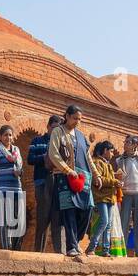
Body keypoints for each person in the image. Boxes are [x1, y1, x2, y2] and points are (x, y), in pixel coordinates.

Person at [47, 105, 92, 258]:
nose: (77, 122)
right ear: (66, 116)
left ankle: (76, 240)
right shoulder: (58, 132)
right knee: (70, 211)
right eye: (74, 118)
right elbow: (53, 154)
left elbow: (88, 157)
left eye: (79, 119)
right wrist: (67, 170)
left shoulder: (80, 135)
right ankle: (72, 246)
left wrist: (97, 175)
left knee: (87, 209)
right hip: (65, 177)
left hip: (82, 178)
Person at [27, 115, 63, 253]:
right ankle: (38, 252)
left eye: (57, 129)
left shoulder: (60, 142)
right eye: (53, 128)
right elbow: (30, 159)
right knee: (43, 217)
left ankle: (58, 252)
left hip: (56, 183)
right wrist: (45, 157)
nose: (55, 131)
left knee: (56, 217)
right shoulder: (37, 140)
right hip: (41, 182)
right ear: (48, 127)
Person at [114, 135, 138, 258]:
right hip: (126, 192)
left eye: (128, 142)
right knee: (124, 222)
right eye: (125, 142)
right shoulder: (120, 160)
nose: (125, 144)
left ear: (135, 145)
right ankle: (122, 251)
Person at [0, 125, 24, 250]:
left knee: (19, 222)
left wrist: (19, 172)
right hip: (2, 190)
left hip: (16, 190)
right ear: (0, 137)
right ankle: (5, 250)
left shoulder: (17, 151)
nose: (8, 137)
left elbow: (21, 170)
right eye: (5, 135)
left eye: (10, 135)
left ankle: (15, 249)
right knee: (3, 222)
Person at [86, 140, 119, 257]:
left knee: (108, 224)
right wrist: (115, 181)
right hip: (100, 198)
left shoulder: (108, 164)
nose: (112, 154)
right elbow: (99, 180)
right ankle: (91, 247)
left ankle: (105, 250)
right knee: (104, 221)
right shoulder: (97, 162)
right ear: (105, 151)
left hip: (109, 198)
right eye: (111, 151)